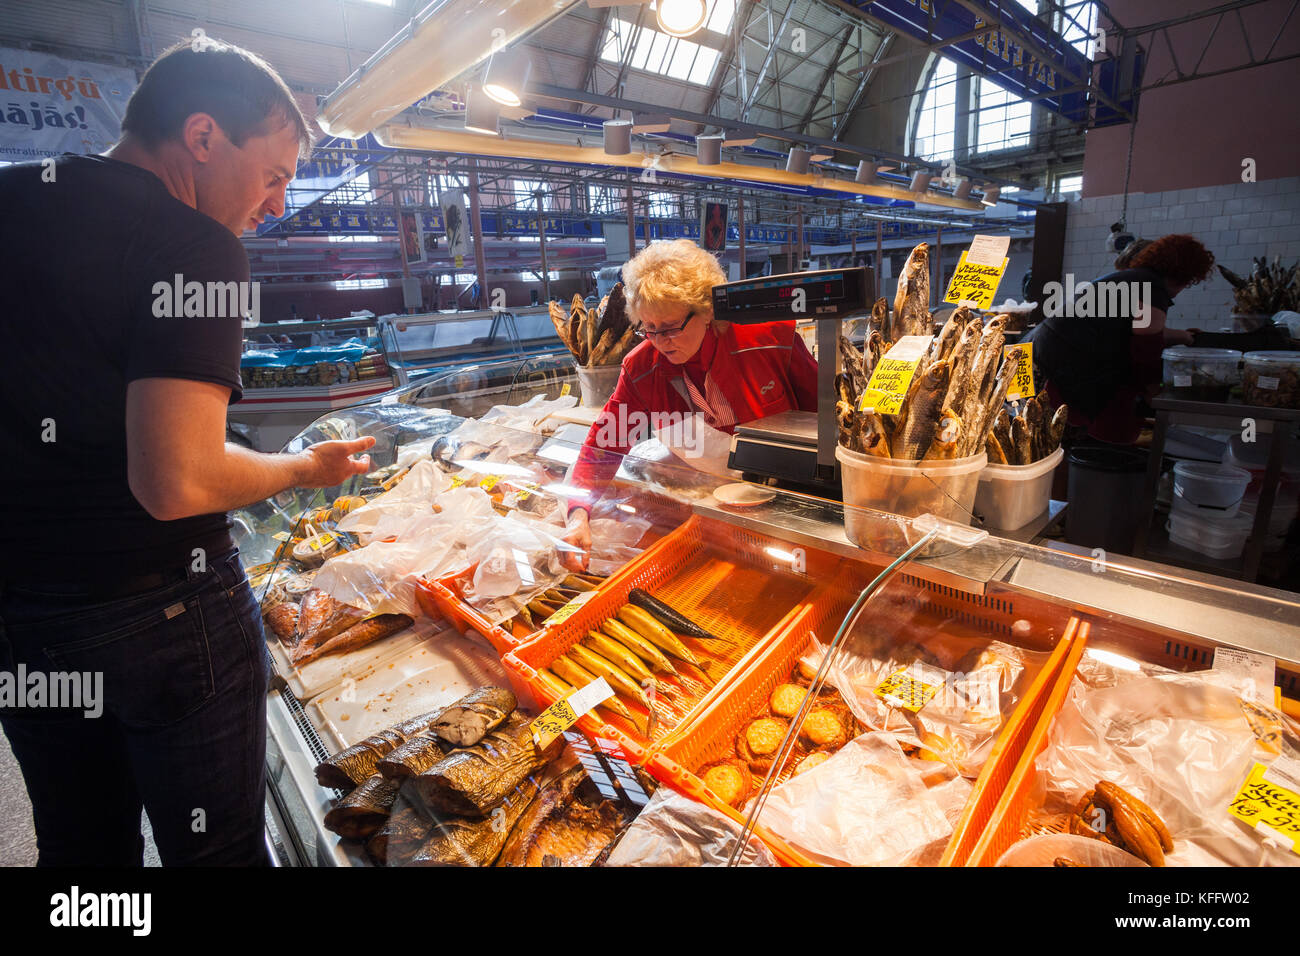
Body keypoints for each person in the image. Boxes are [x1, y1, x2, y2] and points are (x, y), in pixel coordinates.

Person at [0, 40, 375, 866]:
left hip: (24, 614)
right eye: (274, 174)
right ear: (202, 137)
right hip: (161, 615)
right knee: (219, 852)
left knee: (81, 846)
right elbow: (179, 480)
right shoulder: (195, 244)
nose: (277, 205)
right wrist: (306, 468)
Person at [560, 239, 817, 570]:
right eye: (648, 329)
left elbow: (823, 421)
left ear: (708, 309)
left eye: (669, 328)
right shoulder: (642, 369)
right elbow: (602, 448)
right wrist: (577, 516)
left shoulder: (770, 339)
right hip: (719, 514)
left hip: (795, 508)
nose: (659, 342)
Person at [1025, 234, 1214, 444]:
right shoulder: (1151, 288)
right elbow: (1145, 352)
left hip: (1037, 357)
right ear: (1185, 275)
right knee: (1058, 447)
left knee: (1042, 443)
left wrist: (1184, 337)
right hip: (1058, 371)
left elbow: (1137, 330)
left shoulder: (1134, 280)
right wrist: (1155, 390)